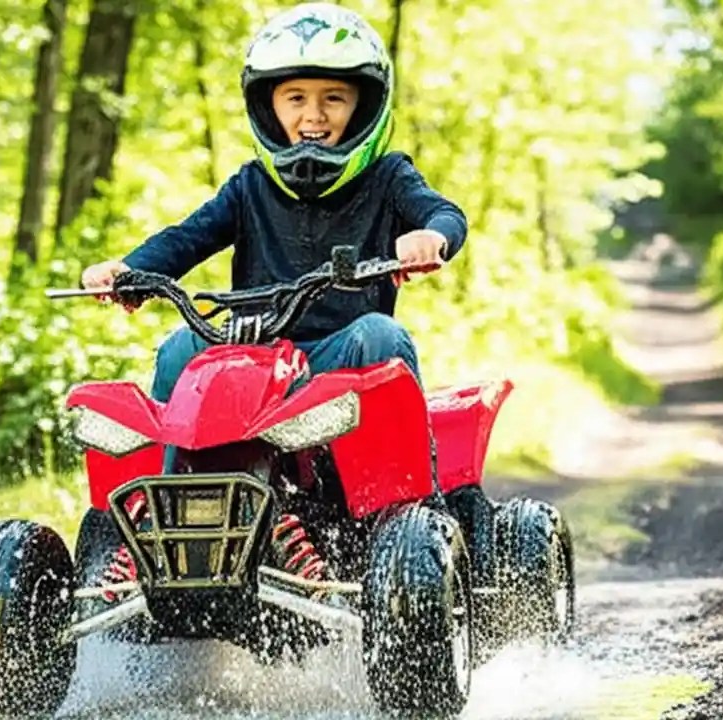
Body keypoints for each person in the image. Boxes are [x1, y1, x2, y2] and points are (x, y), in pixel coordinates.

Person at [80, 2, 468, 588]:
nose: (313, 115)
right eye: (296, 99)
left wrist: (430, 235)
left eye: (333, 98)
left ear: (364, 105)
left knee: (380, 334)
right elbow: (189, 237)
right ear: (269, 106)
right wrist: (130, 270)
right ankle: (154, 525)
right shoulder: (250, 185)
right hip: (256, 354)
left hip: (337, 356)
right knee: (181, 347)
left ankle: (412, 513)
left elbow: (445, 213)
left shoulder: (389, 177)